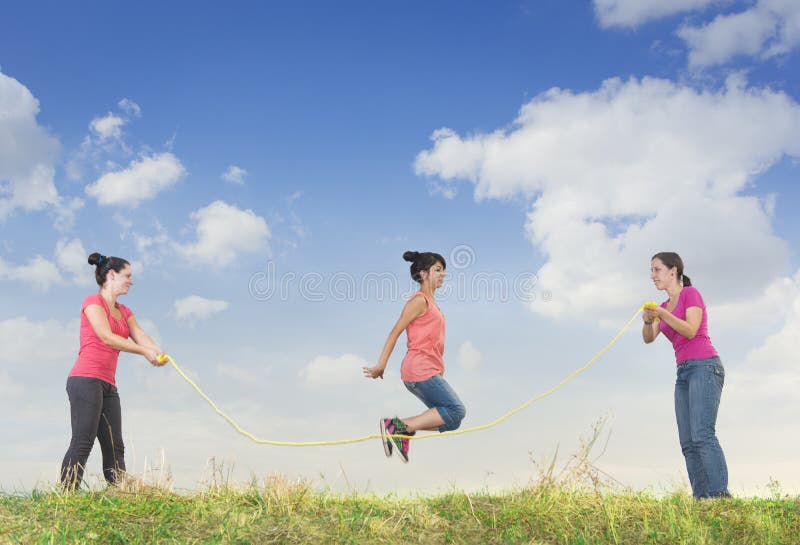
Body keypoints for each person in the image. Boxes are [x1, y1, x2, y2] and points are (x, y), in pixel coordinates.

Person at [60, 252, 165, 490]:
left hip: (108, 384)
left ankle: (119, 491)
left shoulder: (125, 311)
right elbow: (106, 337)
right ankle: (65, 496)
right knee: (83, 440)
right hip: (85, 380)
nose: (131, 281)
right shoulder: (92, 302)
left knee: (115, 445)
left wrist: (156, 351)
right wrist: (143, 351)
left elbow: (140, 335)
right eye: (127, 276)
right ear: (111, 274)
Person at [363, 251, 466, 463]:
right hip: (419, 370)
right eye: (437, 270)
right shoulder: (419, 301)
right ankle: (399, 427)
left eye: (443, 270)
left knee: (452, 421)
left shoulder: (432, 304)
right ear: (423, 274)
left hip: (428, 371)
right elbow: (395, 331)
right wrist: (381, 364)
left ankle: (403, 431)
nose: (443, 274)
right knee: (456, 409)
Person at [642, 251, 730, 498]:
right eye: (651, 271)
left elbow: (690, 330)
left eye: (657, 270)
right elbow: (648, 338)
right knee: (688, 442)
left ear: (673, 271)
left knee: (702, 434)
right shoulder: (661, 307)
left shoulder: (690, 294)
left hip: (705, 366)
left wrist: (663, 315)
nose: (652, 276)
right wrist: (648, 321)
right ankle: (702, 500)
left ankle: (719, 496)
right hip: (683, 373)